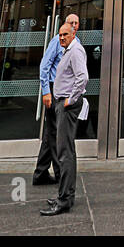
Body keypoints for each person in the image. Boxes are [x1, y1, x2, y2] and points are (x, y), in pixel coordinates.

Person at [40, 19, 88, 216]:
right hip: (62, 103)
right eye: (60, 34)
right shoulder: (69, 49)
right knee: (66, 150)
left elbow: (83, 77)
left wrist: (70, 99)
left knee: (64, 152)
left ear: (74, 34)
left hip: (66, 106)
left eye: (65, 34)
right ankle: (66, 194)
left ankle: (64, 200)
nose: (61, 37)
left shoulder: (75, 50)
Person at [33, 12, 78, 186]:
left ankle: (40, 172)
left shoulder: (76, 44)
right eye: (70, 22)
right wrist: (46, 92)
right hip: (53, 90)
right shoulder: (56, 41)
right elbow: (44, 66)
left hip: (65, 91)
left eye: (75, 23)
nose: (73, 25)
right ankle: (60, 172)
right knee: (55, 132)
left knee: (51, 132)